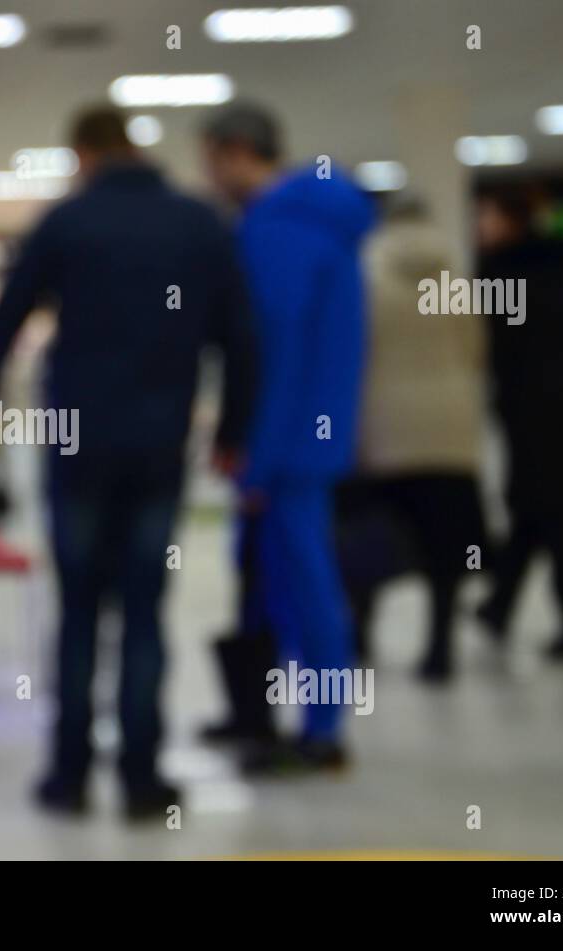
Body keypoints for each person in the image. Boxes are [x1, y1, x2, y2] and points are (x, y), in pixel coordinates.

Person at [0, 105, 253, 819]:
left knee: (77, 611)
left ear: (84, 153)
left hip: (77, 445)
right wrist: (234, 430)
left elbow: (7, 315)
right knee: (144, 611)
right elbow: (240, 336)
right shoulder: (197, 222)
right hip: (160, 444)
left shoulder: (66, 222)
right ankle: (141, 776)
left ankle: (68, 773)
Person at [200, 102, 375, 771]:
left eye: (211, 157)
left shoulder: (278, 233)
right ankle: (271, 716)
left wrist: (255, 460)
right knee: (293, 589)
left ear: (236, 151)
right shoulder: (322, 228)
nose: (209, 175)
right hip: (315, 437)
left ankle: (323, 730)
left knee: (306, 592)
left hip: (287, 446)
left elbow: (273, 358)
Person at [353, 196, 486, 683]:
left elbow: (357, 350)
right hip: (449, 427)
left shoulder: (366, 271)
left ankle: (362, 633)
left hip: (383, 425)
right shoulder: (455, 274)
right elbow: (474, 349)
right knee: (444, 548)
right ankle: (439, 648)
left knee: (373, 534)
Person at [474, 189, 563, 661]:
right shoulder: (556, 271)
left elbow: (500, 354)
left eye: (486, 216)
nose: (480, 227)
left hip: (536, 420)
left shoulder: (507, 276)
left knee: (556, 521)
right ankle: (500, 605)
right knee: (536, 514)